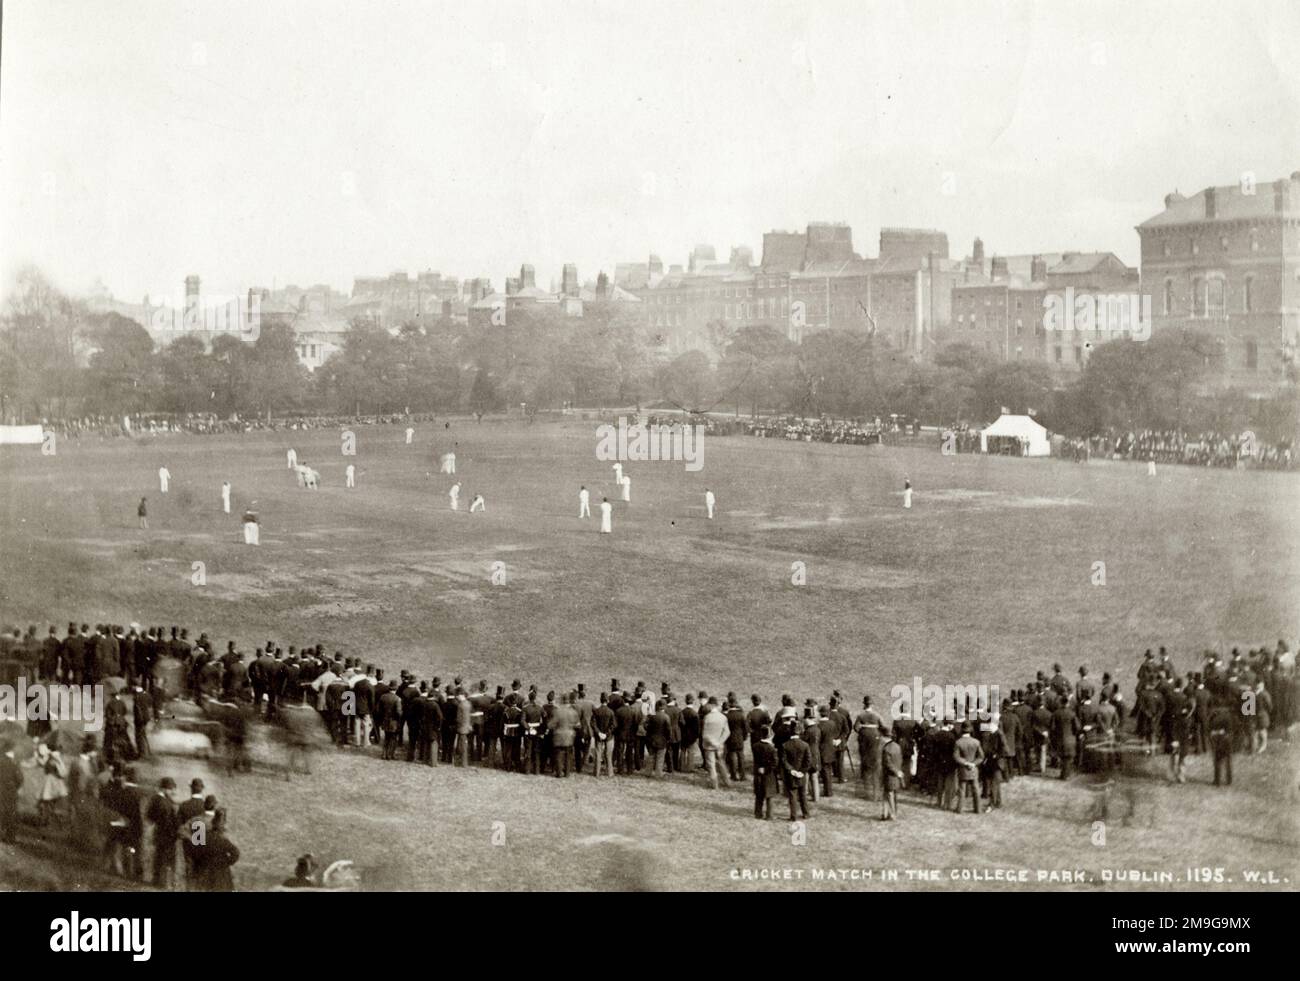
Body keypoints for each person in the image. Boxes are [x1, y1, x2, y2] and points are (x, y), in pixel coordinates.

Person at [145, 777, 179, 889]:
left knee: (158, 857)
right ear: (165, 789)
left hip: (158, 832)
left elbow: (149, 816)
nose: (174, 792)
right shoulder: (165, 803)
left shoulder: (155, 798)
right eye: (172, 789)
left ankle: (156, 880)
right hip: (166, 835)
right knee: (166, 859)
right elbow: (168, 822)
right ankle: (163, 884)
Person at [781, 724, 813, 820]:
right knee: (803, 795)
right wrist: (802, 771)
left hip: (791, 775)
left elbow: (784, 761)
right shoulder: (805, 745)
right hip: (801, 774)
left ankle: (793, 816)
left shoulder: (785, 745)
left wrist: (791, 770)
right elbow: (808, 761)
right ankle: (806, 813)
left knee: (792, 795)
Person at [952, 722, 984, 813]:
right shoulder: (976, 742)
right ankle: (978, 809)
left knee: (962, 789)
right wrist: (973, 763)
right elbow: (981, 756)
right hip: (973, 769)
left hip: (963, 769)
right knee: (976, 789)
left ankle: (960, 809)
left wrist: (965, 763)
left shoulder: (958, 742)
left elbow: (956, 757)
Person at [700, 697, 730, 789]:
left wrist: (714, 743)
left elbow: (705, 735)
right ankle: (727, 782)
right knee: (721, 764)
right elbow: (727, 732)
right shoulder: (723, 717)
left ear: (711, 705)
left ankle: (714, 785)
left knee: (711, 766)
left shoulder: (707, 718)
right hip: (720, 745)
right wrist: (719, 743)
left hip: (709, 746)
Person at [751, 726, 779, 819]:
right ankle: (769, 815)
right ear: (769, 735)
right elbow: (775, 763)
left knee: (759, 795)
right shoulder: (771, 749)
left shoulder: (755, 746)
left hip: (758, 772)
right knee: (769, 796)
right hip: (769, 774)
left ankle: (758, 813)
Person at [0, 740, 21, 844]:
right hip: (10, 792)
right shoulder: (13, 763)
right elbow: (20, 778)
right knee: (11, 815)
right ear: (11, 751)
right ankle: (10, 838)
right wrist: (15, 787)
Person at [881, 728, 903, 820]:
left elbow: (887, 764)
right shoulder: (897, 746)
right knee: (891, 795)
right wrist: (898, 771)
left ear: (885, 737)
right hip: (896, 775)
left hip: (889, 775)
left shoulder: (886, 749)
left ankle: (892, 814)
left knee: (889, 795)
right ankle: (885, 813)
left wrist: (896, 772)